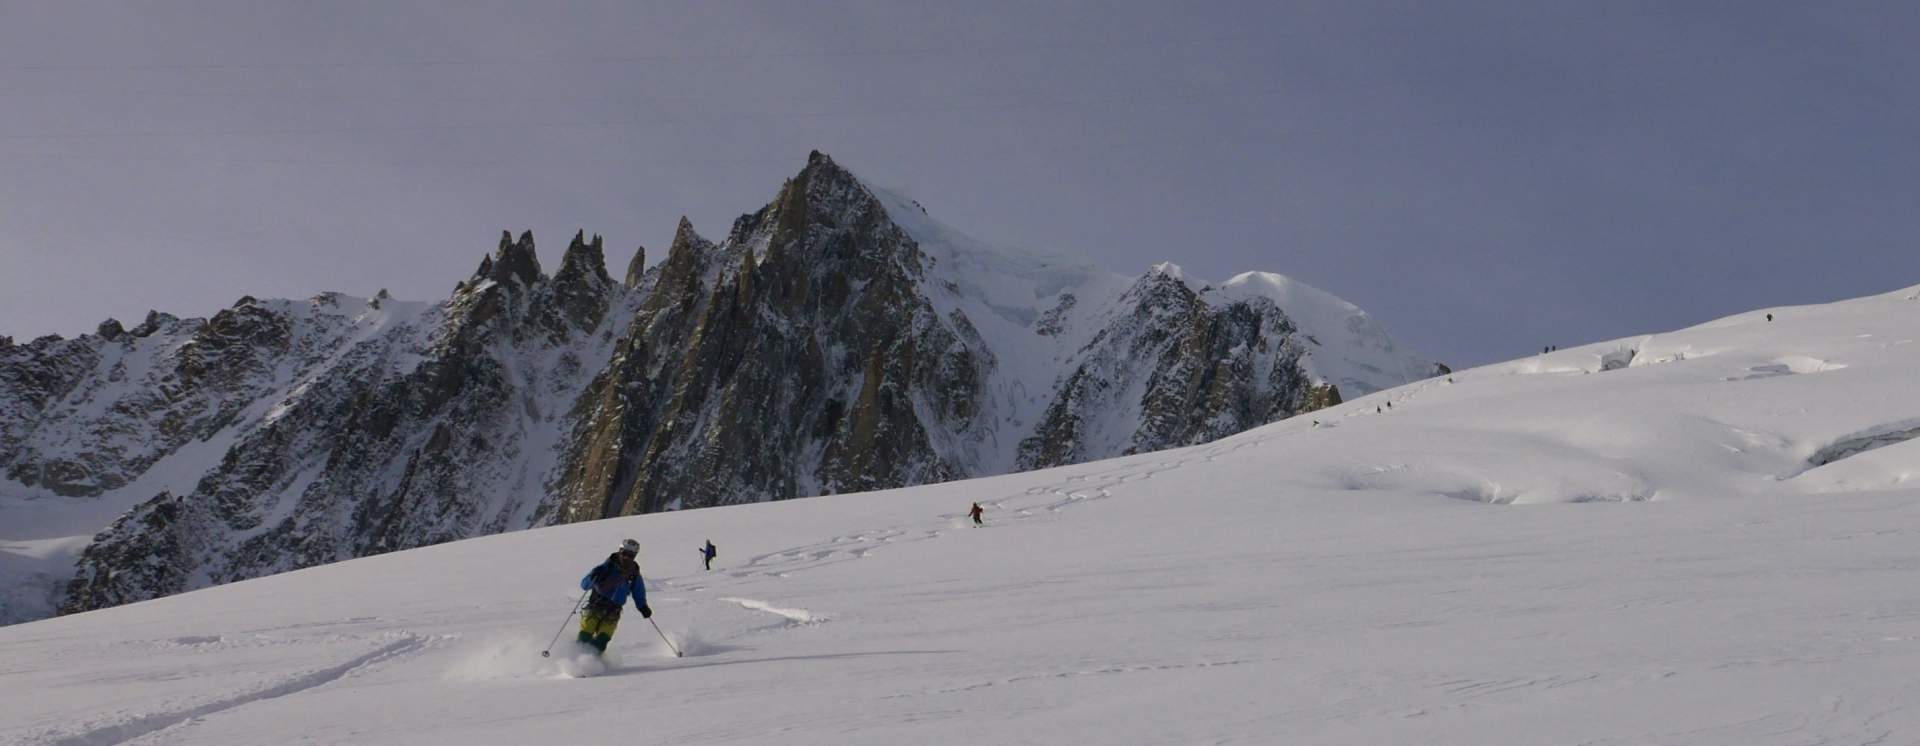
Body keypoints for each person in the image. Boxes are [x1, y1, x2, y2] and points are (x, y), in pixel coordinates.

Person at [577, 538, 650, 655]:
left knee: (602, 640)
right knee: (585, 635)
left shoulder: (634, 574)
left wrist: (642, 606)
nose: (626, 557)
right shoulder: (605, 568)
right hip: (595, 607)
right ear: (620, 551)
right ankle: (576, 660)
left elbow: (638, 591)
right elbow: (584, 585)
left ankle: (591, 664)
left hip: (613, 612)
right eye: (624, 553)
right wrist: (593, 576)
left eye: (630, 555)